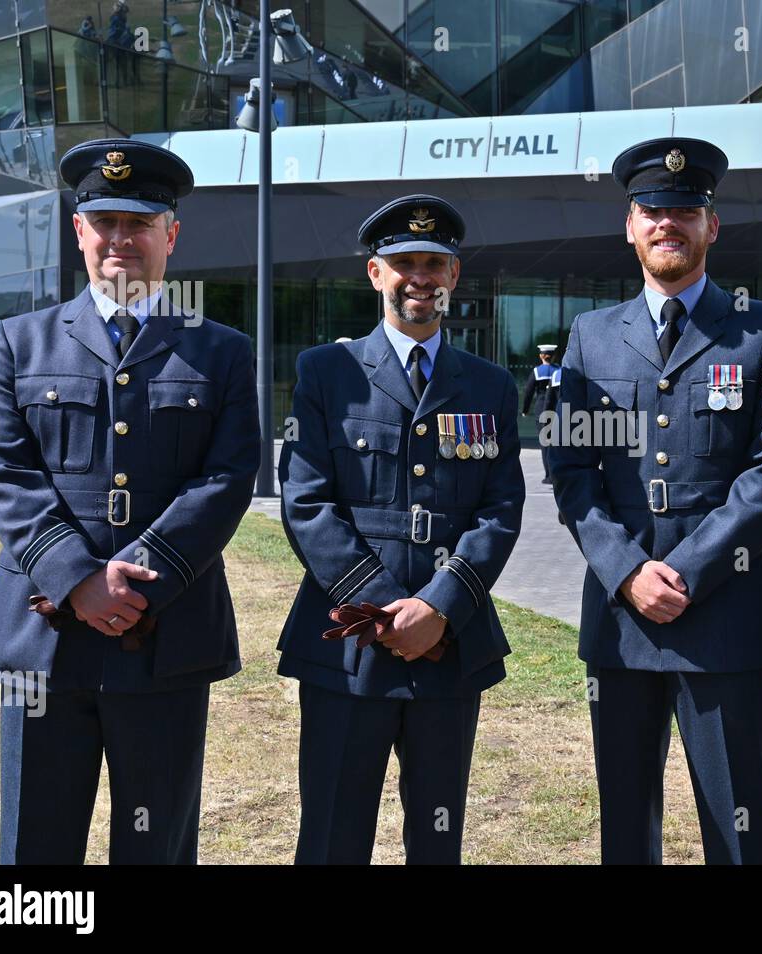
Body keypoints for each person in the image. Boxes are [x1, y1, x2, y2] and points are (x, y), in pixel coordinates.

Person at [0, 139, 259, 863]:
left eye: (140, 221)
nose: (121, 239)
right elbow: (2, 467)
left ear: (171, 235)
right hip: (45, 634)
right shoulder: (18, 341)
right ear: (79, 231)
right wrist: (78, 580)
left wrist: (132, 581)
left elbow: (227, 478)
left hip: (166, 630)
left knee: (156, 842)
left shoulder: (221, 351)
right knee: (36, 840)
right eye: (105, 221)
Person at [551, 138, 762, 864]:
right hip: (621, 617)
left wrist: (691, 571)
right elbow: (571, 473)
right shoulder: (590, 338)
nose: (670, 223)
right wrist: (628, 571)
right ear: (630, 227)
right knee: (626, 824)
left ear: (712, 226)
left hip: (725, 612)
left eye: (686, 210)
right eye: (653, 211)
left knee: (740, 824)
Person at [277, 194, 525, 864]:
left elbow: (501, 508)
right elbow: (304, 499)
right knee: (331, 833)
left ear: (454, 275)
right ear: (375, 274)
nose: (420, 275)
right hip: (347, 642)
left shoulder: (490, 386)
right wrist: (385, 608)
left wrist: (438, 608)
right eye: (403, 262)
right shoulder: (326, 374)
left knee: (439, 838)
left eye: (433, 263)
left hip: (450, 643)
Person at [522, 343, 559, 483]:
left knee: (545, 443)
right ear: (554, 356)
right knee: (556, 443)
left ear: (541, 356)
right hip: (556, 409)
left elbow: (528, 393)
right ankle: (556, 472)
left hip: (541, 409)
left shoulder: (537, 372)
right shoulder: (559, 370)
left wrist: (525, 410)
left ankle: (548, 475)